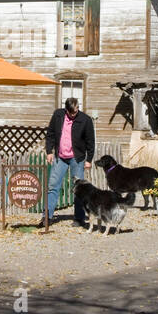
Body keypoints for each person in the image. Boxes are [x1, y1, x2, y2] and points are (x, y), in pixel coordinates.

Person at [45, 97, 95, 226]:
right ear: (66, 110)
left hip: (76, 158)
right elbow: (50, 133)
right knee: (52, 186)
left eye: (76, 110)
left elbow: (90, 141)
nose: (74, 113)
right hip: (60, 157)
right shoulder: (58, 115)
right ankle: (47, 217)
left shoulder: (85, 120)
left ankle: (79, 218)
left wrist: (89, 159)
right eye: (71, 112)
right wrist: (49, 151)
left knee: (79, 189)